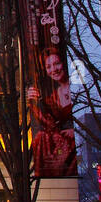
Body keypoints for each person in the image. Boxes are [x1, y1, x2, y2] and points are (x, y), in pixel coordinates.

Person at [25, 47, 76, 177]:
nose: (54, 69)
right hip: (62, 145)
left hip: (75, 147)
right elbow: (47, 120)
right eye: (49, 66)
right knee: (41, 138)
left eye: (57, 63)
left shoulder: (76, 87)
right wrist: (33, 101)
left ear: (64, 63)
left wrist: (74, 131)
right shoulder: (53, 96)